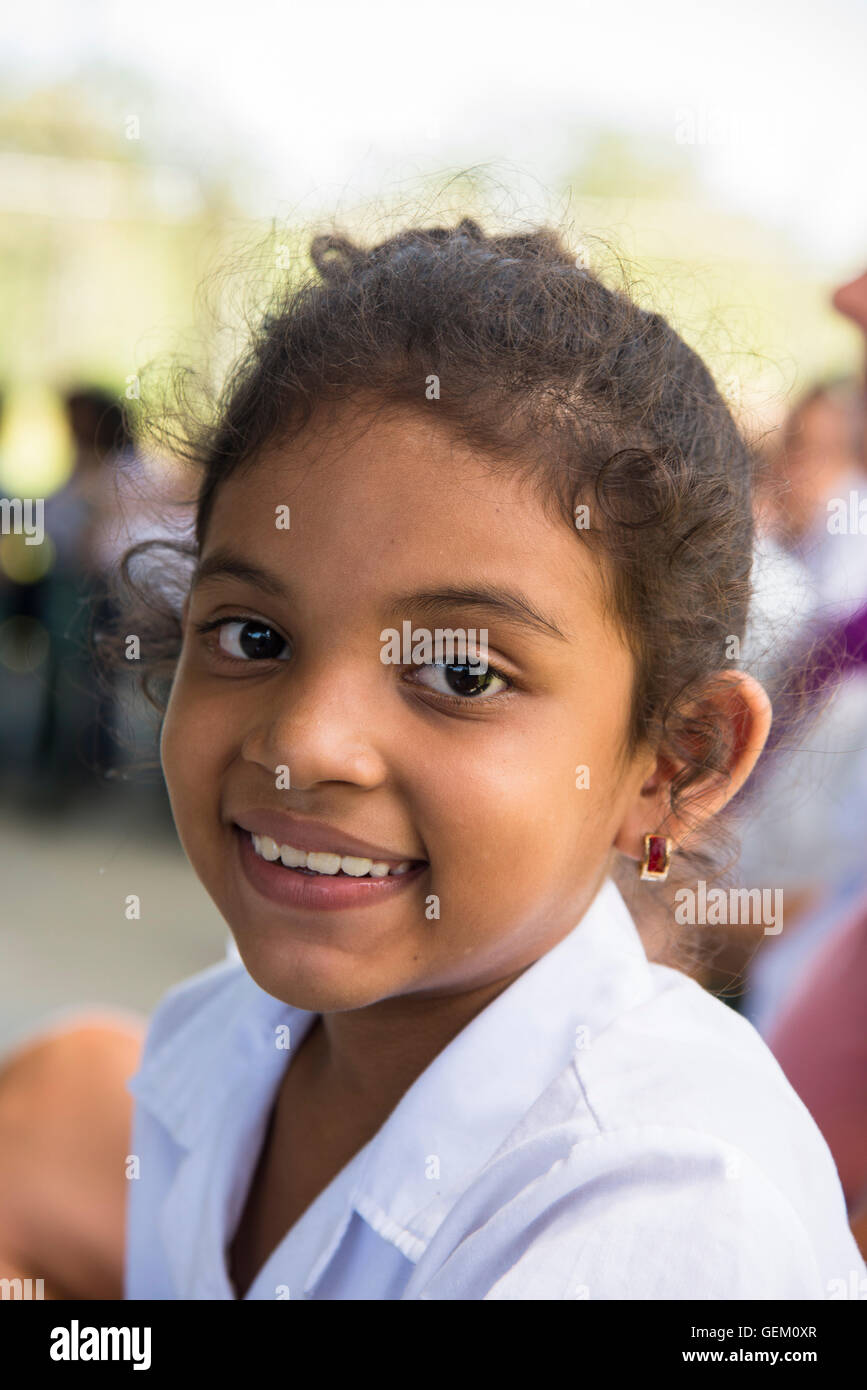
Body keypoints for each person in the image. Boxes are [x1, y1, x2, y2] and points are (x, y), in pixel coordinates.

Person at [110, 217, 862, 1299]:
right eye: (251, 637)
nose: (304, 742)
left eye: (462, 675)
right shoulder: (218, 1035)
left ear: (673, 766)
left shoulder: (670, 1208)